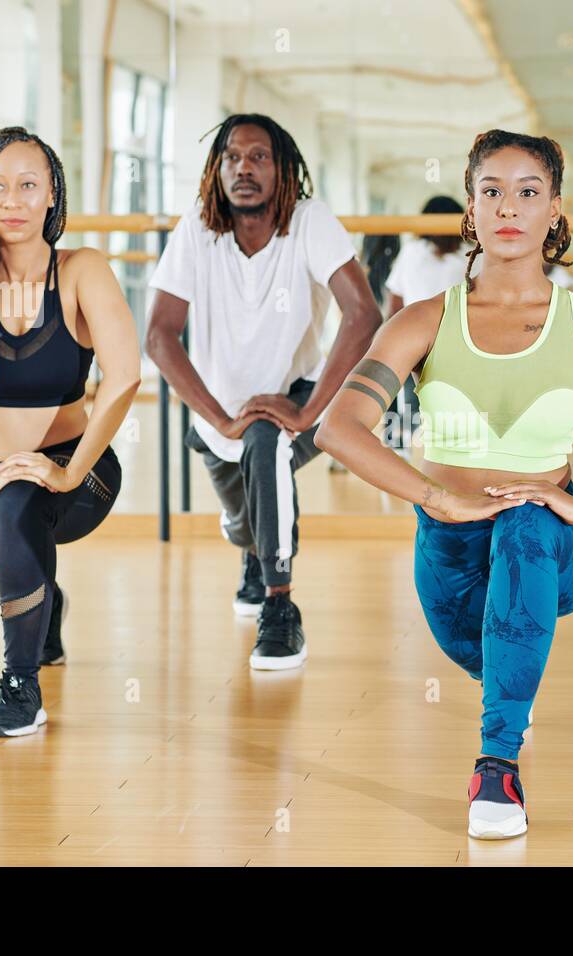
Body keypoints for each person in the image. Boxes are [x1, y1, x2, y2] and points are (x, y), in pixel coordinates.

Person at [314, 129, 573, 839]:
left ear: (556, 212)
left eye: (529, 192)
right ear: (470, 210)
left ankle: (496, 766)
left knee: (527, 518)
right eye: (491, 190)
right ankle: (508, 690)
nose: (509, 206)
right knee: (497, 588)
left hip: (562, 548)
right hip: (452, 555)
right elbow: (337, 429)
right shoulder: (424, 322)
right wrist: (439, 499)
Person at [0, 127, 141, 736]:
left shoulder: (83, 270)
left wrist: (66, 469)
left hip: (79, 473)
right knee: (10, 539)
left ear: (52, 196)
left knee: (23, 503)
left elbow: (124, 378)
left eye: (28, 185)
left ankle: (21, 686)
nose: (12, 201)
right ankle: (46, 608)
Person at [144, 113, 381, 669]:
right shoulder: (197, 230)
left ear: (283, 169)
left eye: (258, 157)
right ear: (217, 168)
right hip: (216, 408)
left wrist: (308, 413)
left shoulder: (309, 221)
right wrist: (220, 420)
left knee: (266, 441)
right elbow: (158, 336)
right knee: (243, 518)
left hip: (294, 395)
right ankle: (251, 548)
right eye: (232, 157)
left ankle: (281, 607)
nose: (243, 168)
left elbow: (363, 314)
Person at [382, 196, 477, 454]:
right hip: (436, 343)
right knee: (423, 402)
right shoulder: (420, 253)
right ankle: (407, 448)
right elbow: (396, 297)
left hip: (436, 343)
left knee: (425, 402)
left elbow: (395, 301)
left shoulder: (463, 254)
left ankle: (406, 447)